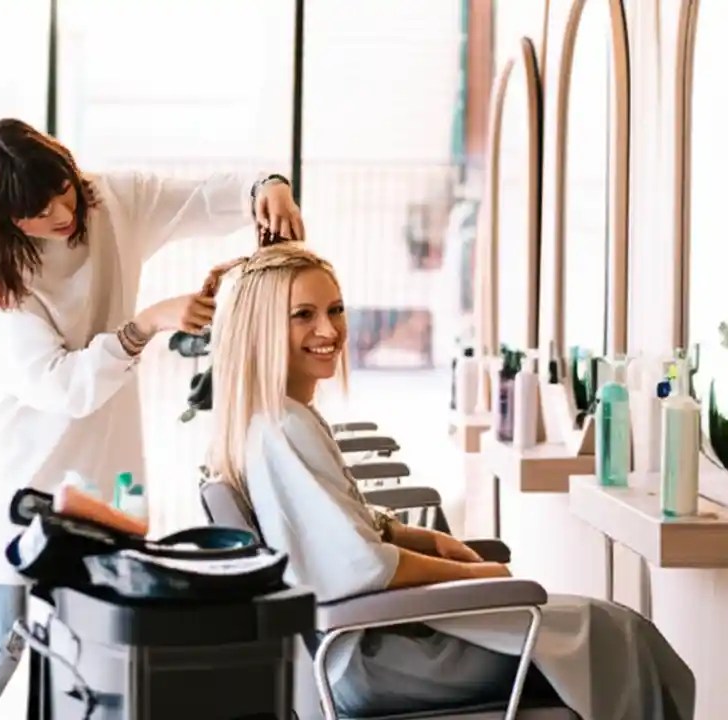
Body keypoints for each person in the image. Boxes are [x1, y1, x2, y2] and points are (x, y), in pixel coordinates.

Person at [205, 242, 695, 719]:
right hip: (381, 657)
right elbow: (359, 564)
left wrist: (422, 537)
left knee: (604, 628)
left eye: (335, 310)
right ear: (263, 328)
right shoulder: (282, 429)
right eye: (303, 315)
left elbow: (333, 530)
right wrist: (476, 576)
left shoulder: (278, 421)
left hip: (373, 642)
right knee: (613, 636)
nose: (328, 329)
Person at [0, 117, 305, 720]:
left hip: (106, 474)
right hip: (18, 475)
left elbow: (200, 197)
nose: (61, 213)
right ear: (4, 218)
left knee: (89, 647)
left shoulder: (107, 200)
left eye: (63, 190)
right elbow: (61, 385)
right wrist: (146, 324)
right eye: (37, 211)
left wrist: (266, 186)